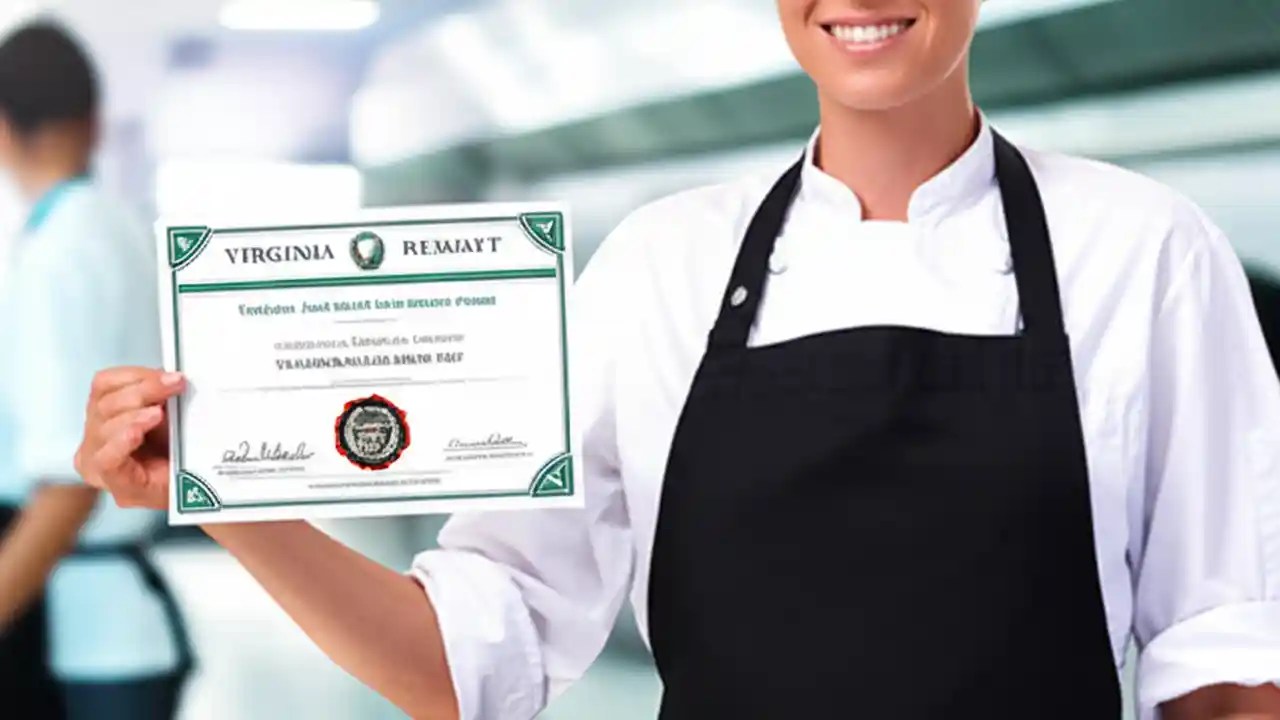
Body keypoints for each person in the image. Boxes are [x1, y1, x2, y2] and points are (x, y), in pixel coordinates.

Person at [76, 2, 1280, 719]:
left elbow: (1223, 658)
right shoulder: (661, 266)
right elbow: (473, 662)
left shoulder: (1143, 251)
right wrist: (220, 490)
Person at [0, 21, 192, 720]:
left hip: (95, 642)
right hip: (111, 621)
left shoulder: (62, 252)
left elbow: (68, 482)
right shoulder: (110, 226)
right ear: (94, 120)